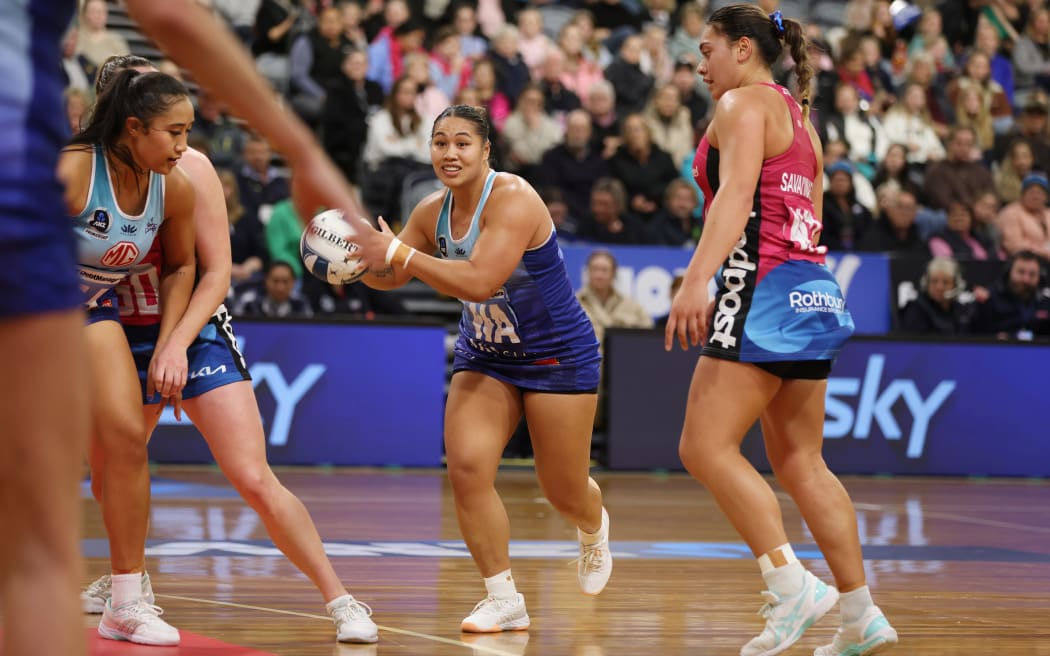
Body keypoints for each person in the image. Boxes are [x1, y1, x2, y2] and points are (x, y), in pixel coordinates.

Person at [82, 57, 378, 644]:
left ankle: (342, 600)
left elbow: (211, 270)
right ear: (126, 116)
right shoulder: (84, 170)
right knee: (111, 470)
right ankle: (126, 583)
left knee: (251, 474)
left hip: (191, 328)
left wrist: (175, 344)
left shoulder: (187, 165)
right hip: (112, 329)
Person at [665, 6, 898, 656]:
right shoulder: (804, 123)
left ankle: (789, 582)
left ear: (744, 49)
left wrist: (696, 279)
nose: (700, 64)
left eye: (707, 50)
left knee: (703, 447)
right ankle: (861, 614)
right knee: (802, 461)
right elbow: (811, 220)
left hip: (761, 286)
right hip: (812, 291)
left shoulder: (742, 105)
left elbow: (737, 196)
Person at [351, 104, 613, 633]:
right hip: (487, 353)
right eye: (440, 142)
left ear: (486, 150)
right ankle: (503, 598)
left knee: (561, 487)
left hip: (556, 352)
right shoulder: (430, 211)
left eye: (463, 143)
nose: (450, 153)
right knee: (467, 468)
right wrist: (355, 263)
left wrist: (397, 253)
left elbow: (478, 280)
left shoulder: (514, 198)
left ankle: (592, 524)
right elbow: (393, 274)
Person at [61, 69, 198, 646]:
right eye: (174, 132)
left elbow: (180, 266)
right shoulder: (71, 171)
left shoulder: (177, 186)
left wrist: (171, 343)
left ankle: (124, 602)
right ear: (134, 127)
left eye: (188, 131)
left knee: (123, 441)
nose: (184, 145)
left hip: (88, 310)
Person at [1, 3, 91, 654]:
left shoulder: (186, 179)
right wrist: (300, 148)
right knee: (41, 552)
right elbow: (170, 13)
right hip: (16, 211)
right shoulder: (73, 168)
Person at [898, 256, 975, 334]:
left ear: (955, 285)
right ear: (927, 283)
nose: (939, 287)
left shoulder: (960, 311)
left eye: (946, 282)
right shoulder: (916, 309)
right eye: (934, 281)